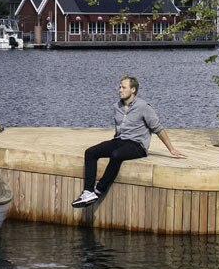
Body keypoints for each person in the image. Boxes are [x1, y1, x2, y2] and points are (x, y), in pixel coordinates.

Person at [72, 75, 184, 208]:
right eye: (119, 87)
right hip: (120, 140)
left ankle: (99, 190)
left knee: (116, 155)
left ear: (133, 90)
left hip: (137, 145)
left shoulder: (143, 107)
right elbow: (118, 129)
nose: (119, 90)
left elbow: (158, 128)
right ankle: (88, 192)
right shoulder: (117, 107)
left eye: (123, 87)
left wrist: (171, 149)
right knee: (90, 152)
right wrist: (112, 143)